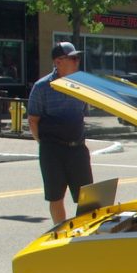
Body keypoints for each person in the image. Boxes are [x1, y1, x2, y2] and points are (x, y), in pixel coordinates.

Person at [27, 41, 93, 224]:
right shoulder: (42, 87)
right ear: (58, 62)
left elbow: (82, 113)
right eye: (72, 58)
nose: (77, 61)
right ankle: (61, 232)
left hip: (77, 149)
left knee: (87, 197)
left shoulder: (82, 84)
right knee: (56, 196)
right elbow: (33, 120)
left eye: (77, 57)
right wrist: (46, 144)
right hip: (53, 151)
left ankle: (85, 234)